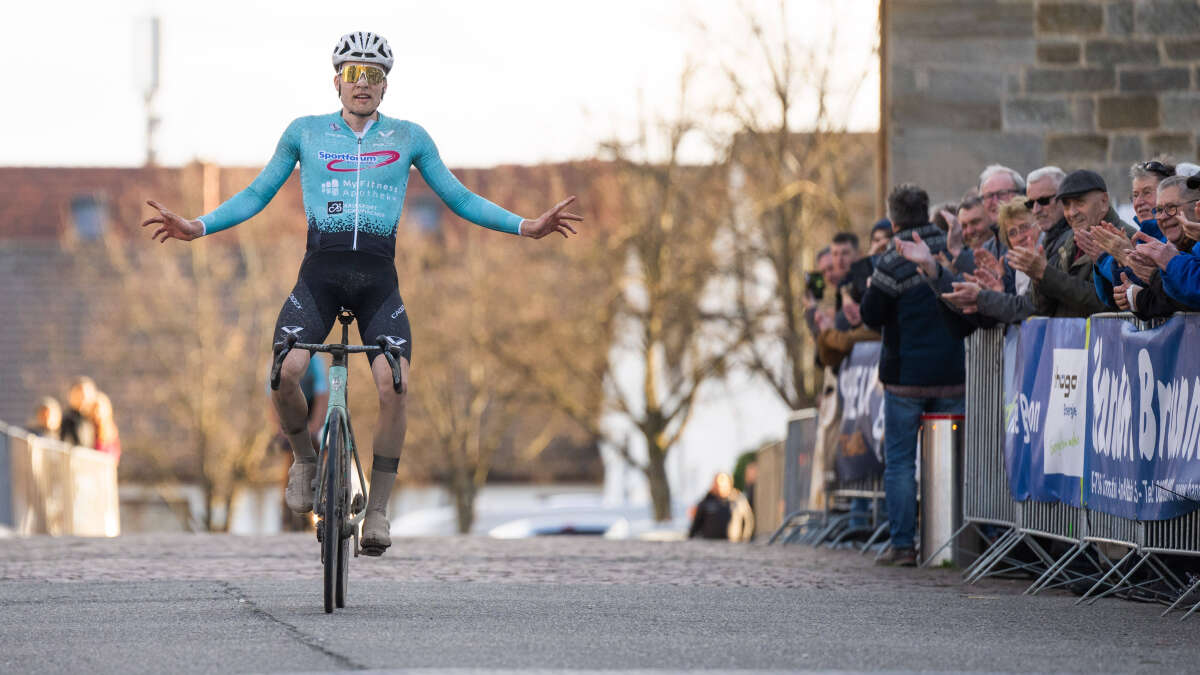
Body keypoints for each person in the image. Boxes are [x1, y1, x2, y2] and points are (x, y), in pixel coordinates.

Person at [141, 31, 582, 556]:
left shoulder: (409, 137)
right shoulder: (304, 133)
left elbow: (458, 196)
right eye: (353, 74)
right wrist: (199, 226)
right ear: (337, 81)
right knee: (284, 372)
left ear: (386, 86)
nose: (363, 84)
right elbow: (259, 192)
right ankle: (306, 459)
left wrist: (526, 226)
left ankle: (377, 512)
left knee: (394, 384)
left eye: (373, 75)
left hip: (378, 283)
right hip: (319, 278)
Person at [861, 184, 972, 567]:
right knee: (956, 460)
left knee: (901, 463)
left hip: (905, 378)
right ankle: (956, 542)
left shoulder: (892, 260)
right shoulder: (949, 249)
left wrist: (872, 283)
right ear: (925, 213)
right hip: (953, 372)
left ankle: (903, 545)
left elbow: (871, 315)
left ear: (892, 219)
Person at [688, 473, 754, 542]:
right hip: (709, 545)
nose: (720, 486)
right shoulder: (707, 501)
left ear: (729, 484)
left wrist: (746, 538)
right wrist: (690, 538)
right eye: (717, 484)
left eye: (723, 483)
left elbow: (749, 520)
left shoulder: (738, 500)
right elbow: (696, 523)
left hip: (733, 544)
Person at [60, 376, 97, 449]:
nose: (83, 398)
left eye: (85, 394)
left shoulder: (93, 419)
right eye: (79, 394)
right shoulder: (68, 420)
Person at [90, 391, 121, 463]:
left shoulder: (111, 431)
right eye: (94, 409)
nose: (97, 413)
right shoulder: (89, 427)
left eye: (99, 409)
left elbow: (115, 455)